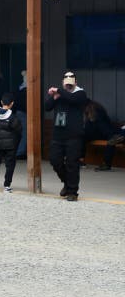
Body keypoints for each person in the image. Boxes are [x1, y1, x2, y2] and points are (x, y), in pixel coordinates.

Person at [45, 71, 88, 201]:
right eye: (66, 85)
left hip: (74, 136)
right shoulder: (60, 95)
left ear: (75, 83)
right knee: (54, 160)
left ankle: (72, 192)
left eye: (71, 84)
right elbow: (47, 107)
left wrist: (59, 91)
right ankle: (67, 183)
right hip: (58, 135)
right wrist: (54, 97)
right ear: (63, 84)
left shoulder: (81, 94)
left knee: (72, 164)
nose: (68, 86)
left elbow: (72, 99)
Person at [83, 100, 121, 172]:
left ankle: (106, 164)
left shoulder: (96, 112)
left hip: (107, 133)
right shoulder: (93, 112)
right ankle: (80, 160)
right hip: (103, 133)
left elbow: (102, 128)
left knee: (112, 140)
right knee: (80, 137)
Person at [14, 71, 28, 159]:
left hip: (18, 112)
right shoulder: (26, 90)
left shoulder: (19, 88)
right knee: (25, 133)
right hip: (23, 112)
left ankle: (18, 151)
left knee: (19, 133)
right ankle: (20, 152)